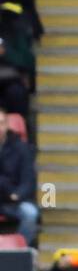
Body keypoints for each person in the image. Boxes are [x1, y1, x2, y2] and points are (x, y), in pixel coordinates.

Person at [0, 101, 36, 242]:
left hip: (13, 201)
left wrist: (18, 194)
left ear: (7, 125)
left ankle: (21, 251)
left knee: (30, 212)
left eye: (2, 123)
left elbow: (29, 179)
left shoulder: (21, 147)